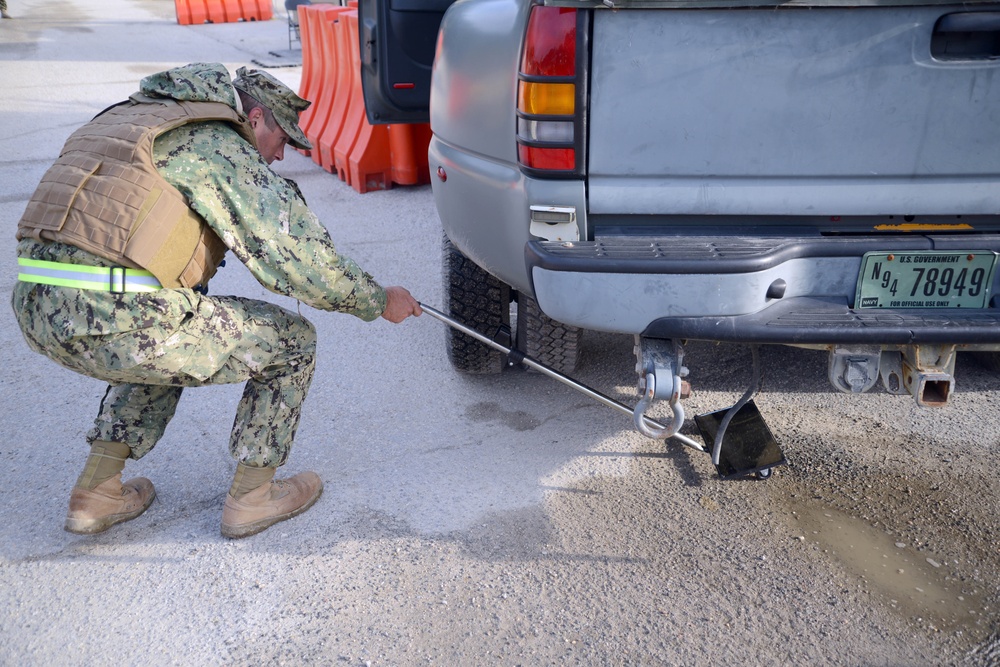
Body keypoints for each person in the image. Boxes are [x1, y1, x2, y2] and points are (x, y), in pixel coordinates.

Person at [12, 62, 422, 539]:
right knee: (290, 341)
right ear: (255, 118)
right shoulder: (217, 142)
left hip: (37, 307)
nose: (282, 156)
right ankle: (253, 497)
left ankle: (96, 492)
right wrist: (377, 299)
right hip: (111, 315)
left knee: (175, 320)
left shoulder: (138, 119)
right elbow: (299, 263)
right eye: (283, 139)